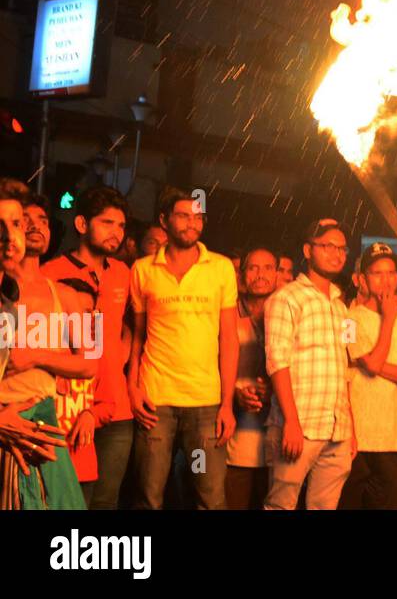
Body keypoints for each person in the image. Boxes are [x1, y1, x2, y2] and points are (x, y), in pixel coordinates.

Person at [127, 186, 237, 509]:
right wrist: (133, 387)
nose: (192, 223)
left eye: (198, 217)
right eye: (183, 216)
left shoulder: (220, 268)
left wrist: (227, 403)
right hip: (155, 404)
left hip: (205, 407)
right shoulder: (144, 270)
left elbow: (228, 340)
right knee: (149, 496)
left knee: (209, 496)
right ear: (164, 220)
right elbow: (137, 336)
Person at [0, 178, 92, 509]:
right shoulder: (3, 290)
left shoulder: (66, 294)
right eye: (24, 221)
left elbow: (90, 362)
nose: (35, 227)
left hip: (41, 418)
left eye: (43, 221)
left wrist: (35, 357)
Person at [44, 187, 133, 508]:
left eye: (121, 225)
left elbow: (132, 329)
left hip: (116, 409)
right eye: (107, 222)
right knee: (63, 501)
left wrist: (123, 367)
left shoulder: (123, 273)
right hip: (69, 409)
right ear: (82, 224)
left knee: (105, 502)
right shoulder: (50, 274)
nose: (116, 232)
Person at [263, 218, 355, 510]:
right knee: (281, 505)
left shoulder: (342, 306)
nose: (336, 253)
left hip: (336, 427)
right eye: (328, 245)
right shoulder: (285, 298)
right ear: (307, 250)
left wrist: (350, 426)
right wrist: (291, 421)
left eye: (342, 248)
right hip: (299, 424)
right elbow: (277, 361)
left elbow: (345, 367)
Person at [340, 243, 397, 509]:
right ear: (362, 279)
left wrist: (370, 364)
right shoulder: (348, 321)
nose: (386, 279)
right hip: (354, 438)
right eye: (377, 273)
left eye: (391, 273)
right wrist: (388, 320)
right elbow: (374, 365)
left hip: (392, 439)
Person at [225, 247, 276, 510]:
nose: (260, 275)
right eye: (253, 268)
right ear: (242, 275)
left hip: (276, 446)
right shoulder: (227, 314)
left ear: (277, 275)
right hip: (234, 444)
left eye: (268, 268)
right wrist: (233, 391)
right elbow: (208, 363)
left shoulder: (285, 314)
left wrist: (275, 391)